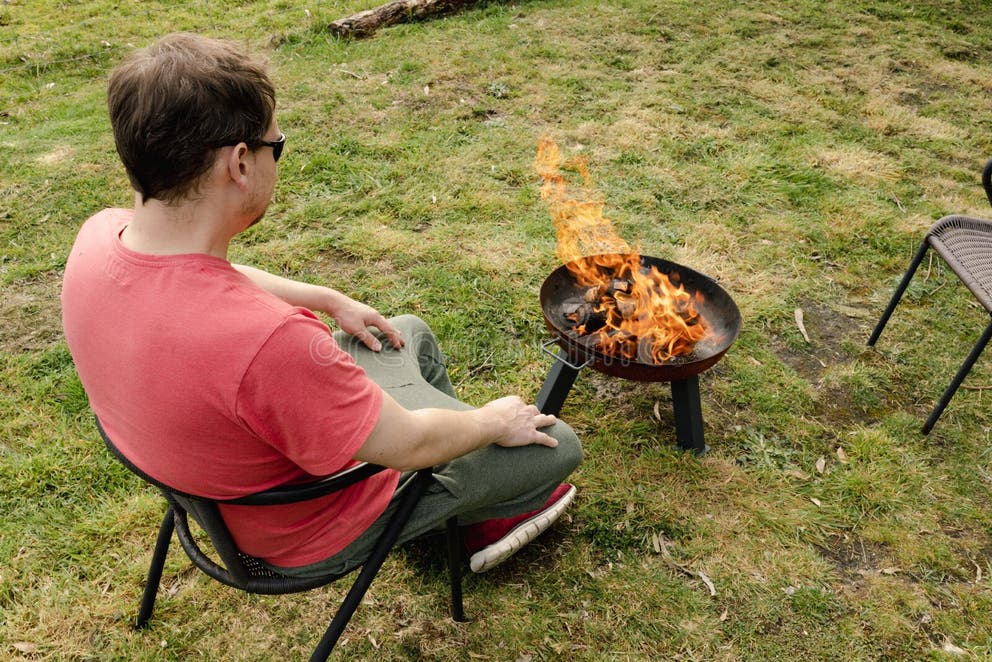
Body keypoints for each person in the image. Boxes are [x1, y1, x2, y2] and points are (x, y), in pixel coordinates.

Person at [61, 32, 581, 577]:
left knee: (407, 333)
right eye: (275, 145)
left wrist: (329, 299)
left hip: (212, 468)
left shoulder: (102, 235)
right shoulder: (267, 342)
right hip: (315, 523)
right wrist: (492, 420)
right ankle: (456, 508)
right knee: (555, 442)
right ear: (239, 164)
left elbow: (214, 277)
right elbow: (405, 443)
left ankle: (460, 517)